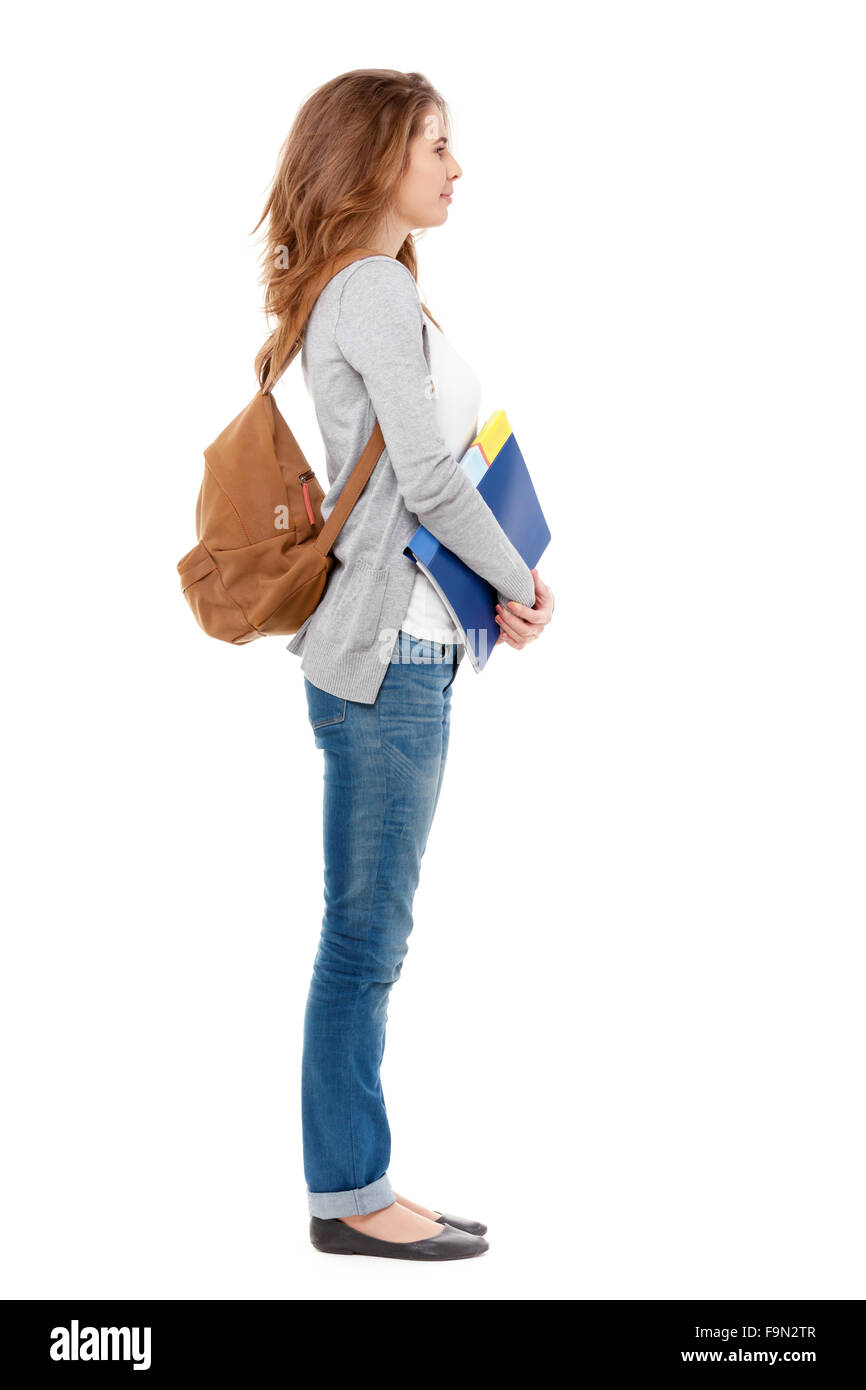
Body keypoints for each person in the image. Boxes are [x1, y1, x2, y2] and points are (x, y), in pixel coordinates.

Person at [254, 69, 555, 1261]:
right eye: (435, 142)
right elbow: (426, 482)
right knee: (364, 939)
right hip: (387, 665)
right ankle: (352, 1197)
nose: (454, 164)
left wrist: (506, 580)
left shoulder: (377, 287)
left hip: (401, 653)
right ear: (376, 156)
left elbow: (421, 483)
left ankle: (359, 1181)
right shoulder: (372, 286)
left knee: (368, 931)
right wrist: (520, 584)